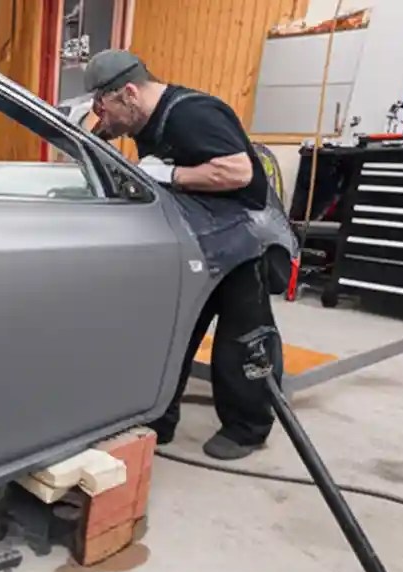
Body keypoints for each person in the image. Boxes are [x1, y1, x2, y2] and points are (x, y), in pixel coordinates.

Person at [84, 49, 284, 461]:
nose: (107, 119)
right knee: (176, 329)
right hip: (197, 235)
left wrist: (171, 175)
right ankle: (161, 418)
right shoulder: (143, 119)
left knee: (243, 338)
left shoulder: (193, 113)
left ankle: (248, 428)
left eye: (106, 108)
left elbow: (238, 171)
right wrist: (93, 135)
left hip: (243, 237)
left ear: (129, 93)